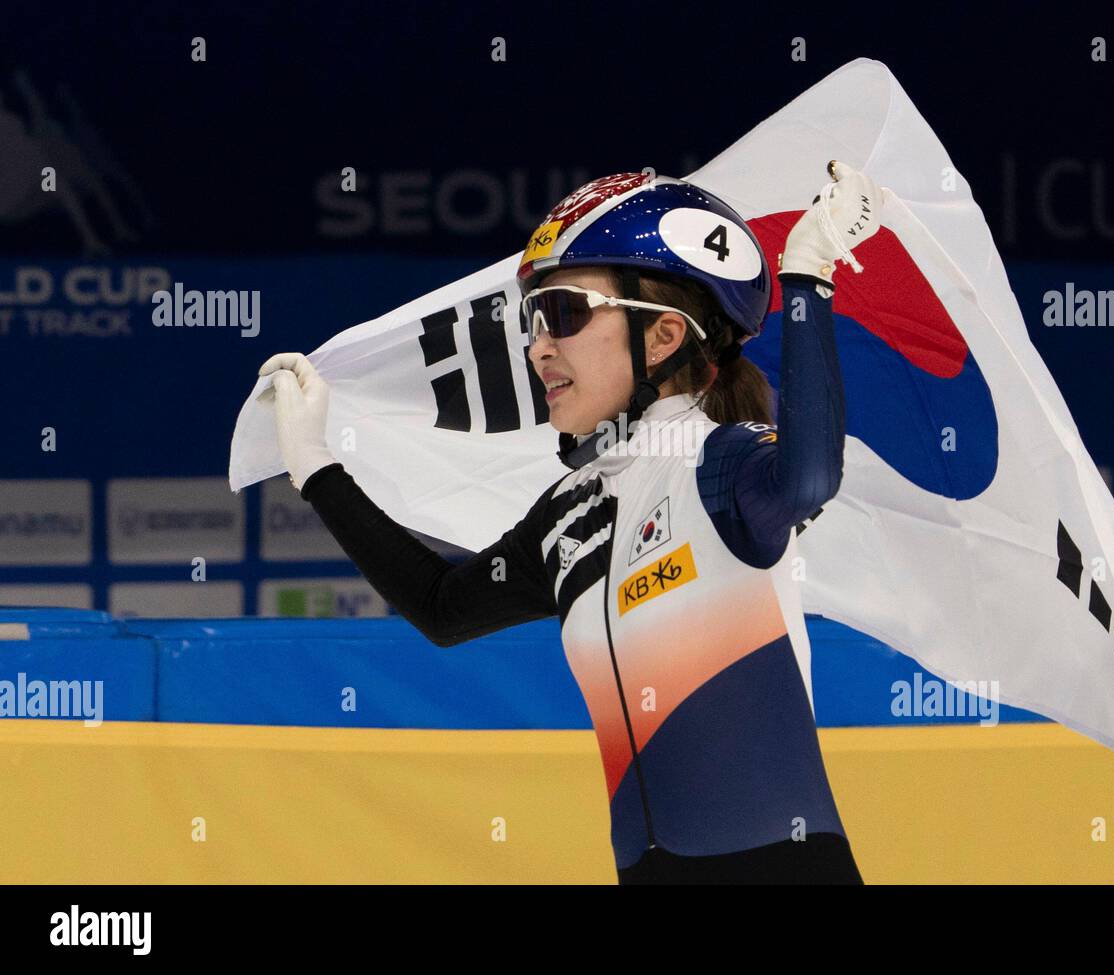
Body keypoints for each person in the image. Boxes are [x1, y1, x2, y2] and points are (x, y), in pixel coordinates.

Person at [261, 161, 882, 884]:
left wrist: (807, 275)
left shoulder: (723, 462)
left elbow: (809, 476)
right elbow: (440, 608)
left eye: (562, 314)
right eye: (533, 323)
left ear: (661, 338)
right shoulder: (569, 515)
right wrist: (315, 464)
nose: (537, 347)